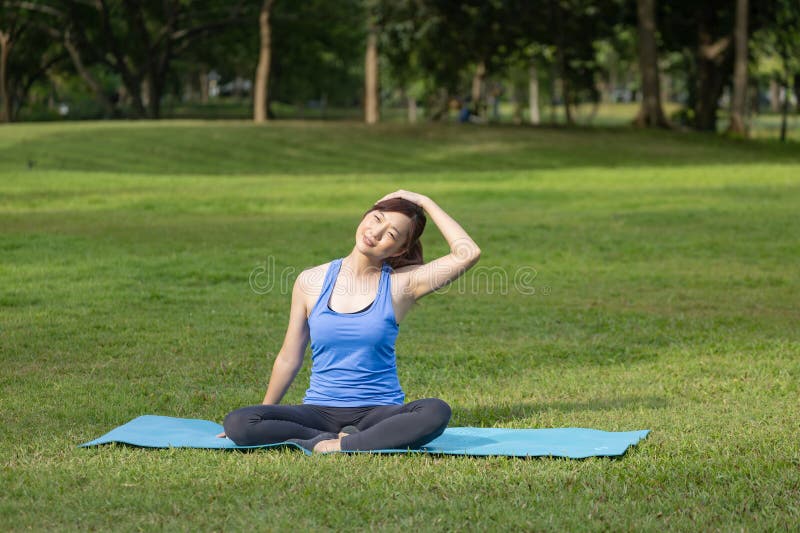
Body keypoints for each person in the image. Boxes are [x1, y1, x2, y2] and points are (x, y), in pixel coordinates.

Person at [220, 190, 481, 453]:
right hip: (319, 411)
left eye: (391, 234)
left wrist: (423, 201)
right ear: (366, 215)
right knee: (238, 422)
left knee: (435, 411)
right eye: (377, 218)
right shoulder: (311, 281)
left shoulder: (402, 285)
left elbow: (467, 253)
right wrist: (264, 415)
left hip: (380, 412)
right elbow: (289, 357)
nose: (376, 232)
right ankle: (332, 439)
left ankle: (340, 444)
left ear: (401, 248)